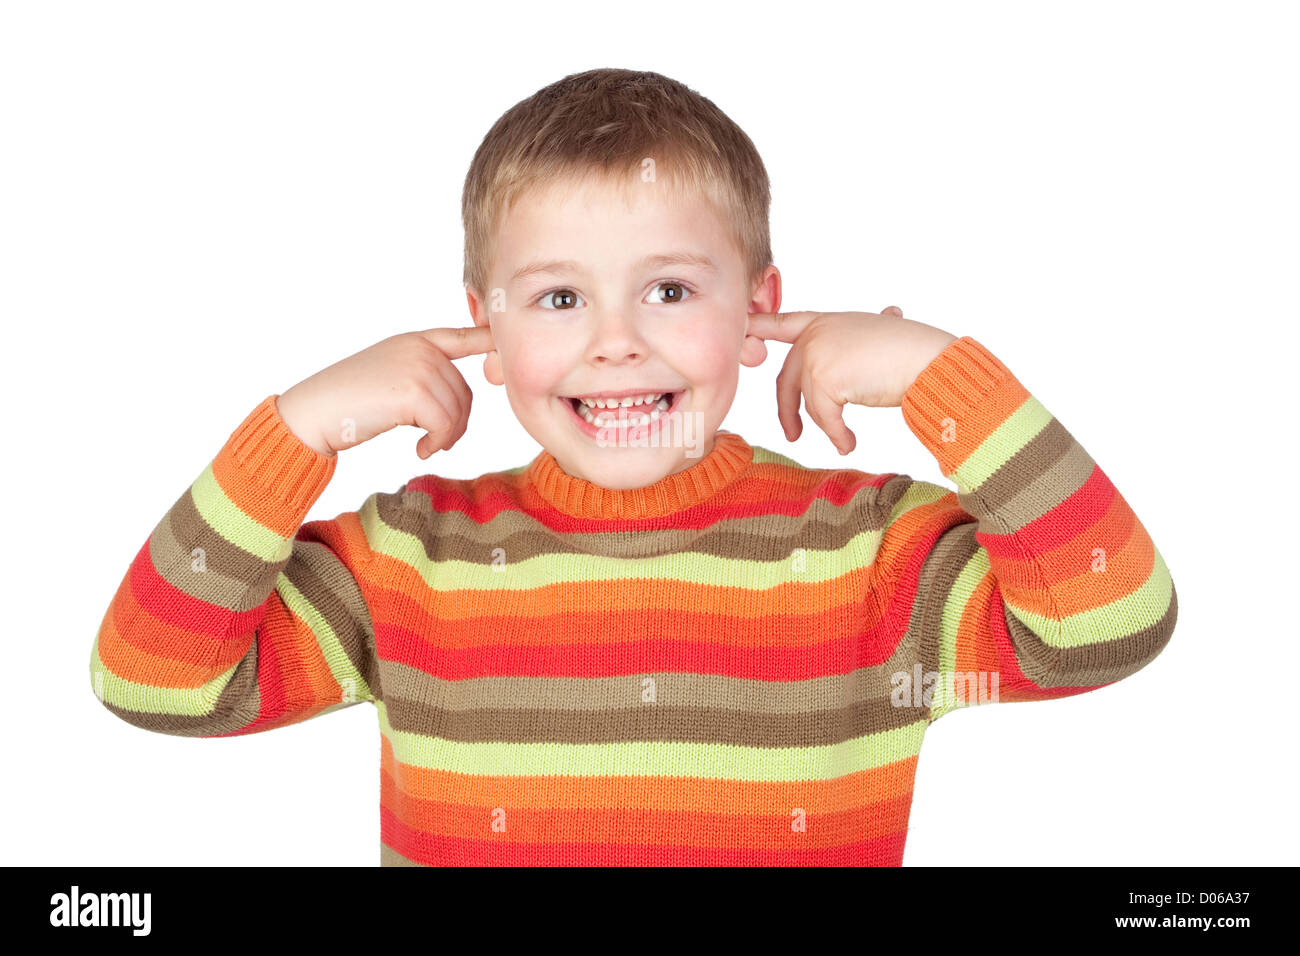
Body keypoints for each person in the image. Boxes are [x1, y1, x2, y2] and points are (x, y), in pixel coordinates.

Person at [90, 67, 1177, 865]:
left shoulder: (867, 551)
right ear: (487, 322)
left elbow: (1105, 621)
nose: (615, 340)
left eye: (668, 289)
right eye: (560, 297)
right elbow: (154, 679)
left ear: (758, 308)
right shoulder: (407, 558)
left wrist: (947, 377)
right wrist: (291, 432)